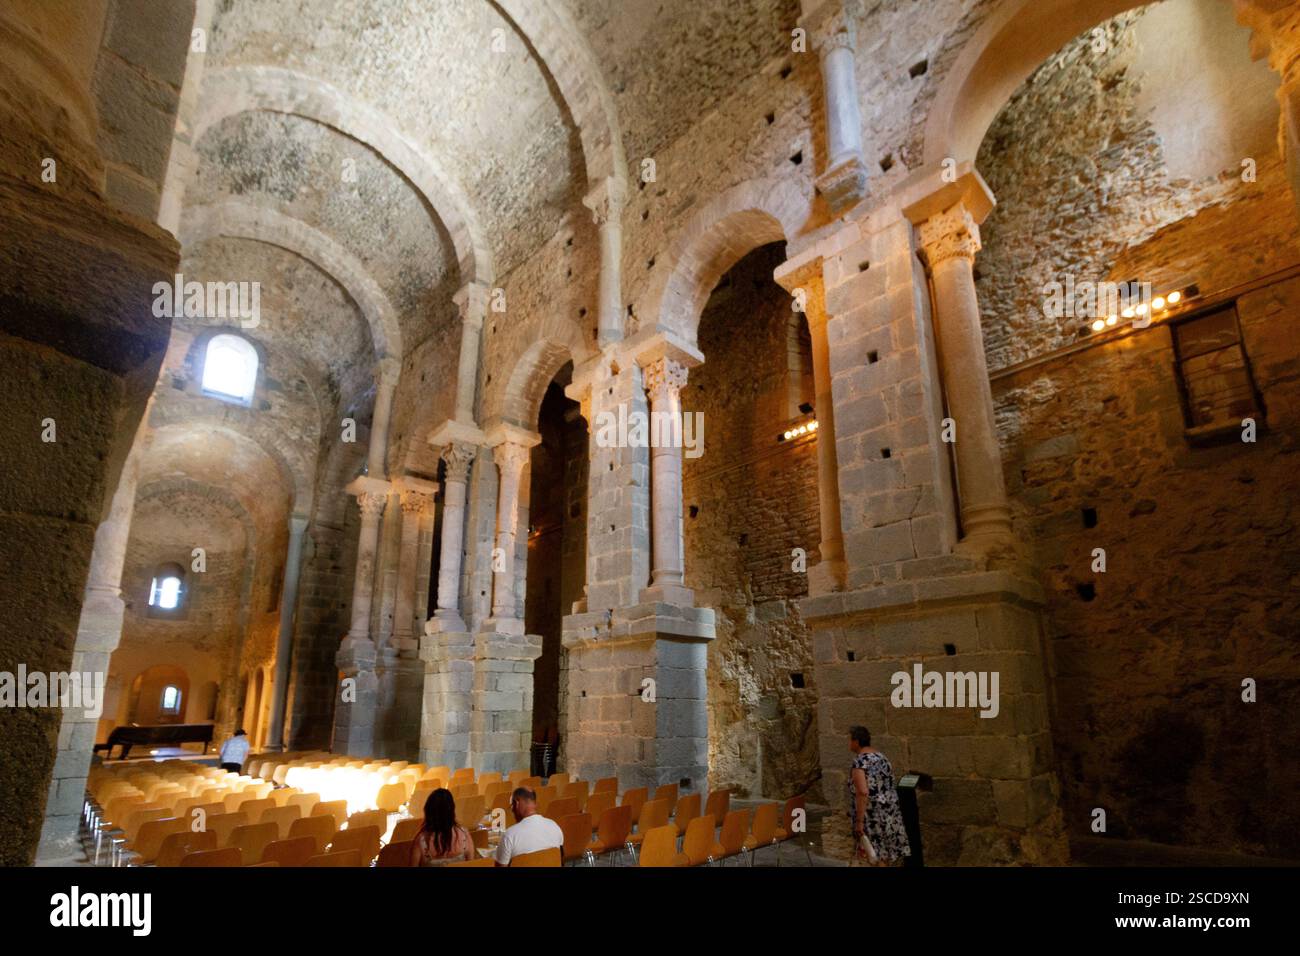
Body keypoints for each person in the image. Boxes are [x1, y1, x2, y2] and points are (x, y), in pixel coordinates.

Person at [848, 725, 911, 866]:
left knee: (875, 855)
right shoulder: (882, 757)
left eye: (850, 740)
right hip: (889, 811)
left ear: (856, 741)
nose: (849, 743)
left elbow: (862, 792)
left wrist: (859, 822)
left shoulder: (860, 761)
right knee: (885, 854)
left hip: (872, 815)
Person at [494, 787, 563, 866]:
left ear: (516, 803)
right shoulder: (554, 826)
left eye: (511, 806)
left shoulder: (509, 835)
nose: (512, 810)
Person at [409, 788, 474, 866]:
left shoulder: (421, 840)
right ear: (452, 810)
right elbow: (471, 863)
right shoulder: (464, 835)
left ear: (428, 811)